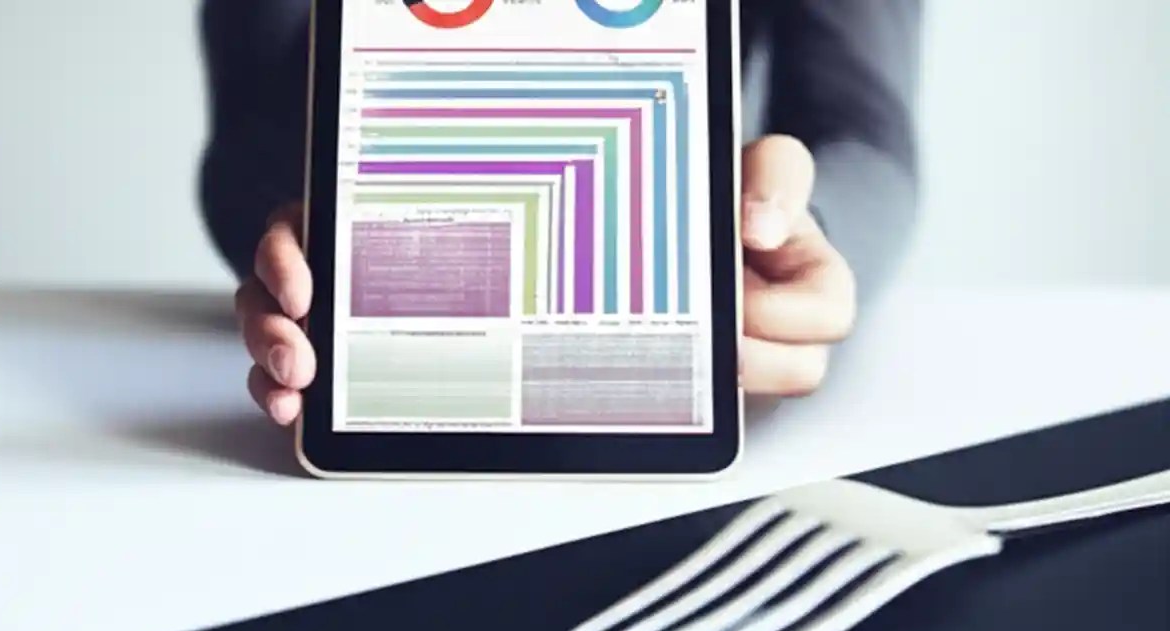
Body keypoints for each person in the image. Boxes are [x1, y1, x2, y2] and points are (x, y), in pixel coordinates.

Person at [200, 0, 921, 425]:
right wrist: (309, 230)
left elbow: (865, 134)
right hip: (394, 358)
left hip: (660, 319)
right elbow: (246, 139)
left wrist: (798, 239)